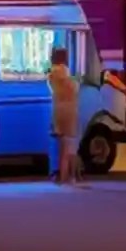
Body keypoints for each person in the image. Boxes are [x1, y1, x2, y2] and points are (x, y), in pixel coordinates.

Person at [48, 47, 82, 186]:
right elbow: (74, 89)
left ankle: (62, 176)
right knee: (70, 147)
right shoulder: (65, 73)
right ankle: (71, 176)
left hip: (57, 111)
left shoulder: (51, 75)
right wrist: (77, 80)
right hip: (69, 111)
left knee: (62, 146)